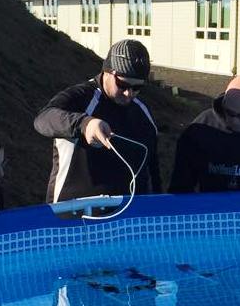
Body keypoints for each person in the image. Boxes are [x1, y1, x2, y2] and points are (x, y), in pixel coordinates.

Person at [34, 38, 160, 202]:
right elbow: (43, 119)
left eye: (137, 88)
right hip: (74, 213)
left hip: (127, 216)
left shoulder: (142, 112)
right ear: (107, 71)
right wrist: (85, 124)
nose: (129, 93)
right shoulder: (82, 97)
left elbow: (152, 168)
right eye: (122, 84)